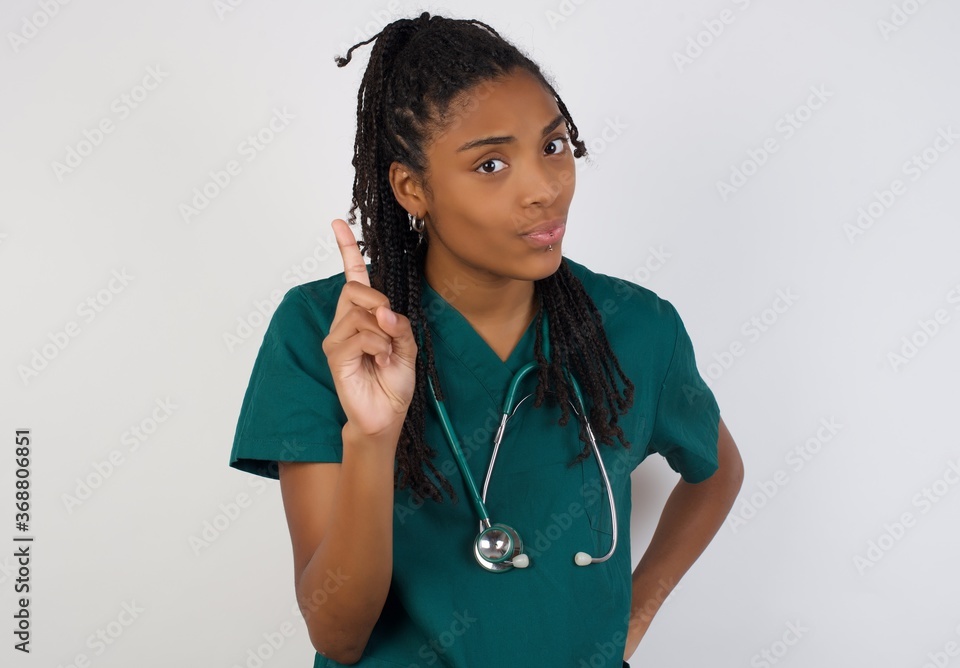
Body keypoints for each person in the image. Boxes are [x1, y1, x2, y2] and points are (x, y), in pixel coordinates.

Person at [229, 11, 743, 667]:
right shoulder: (326, 333)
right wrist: (373, 438)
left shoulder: (636, 326)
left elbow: (718, 472)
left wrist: (633, 617)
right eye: (491, 163)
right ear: (412, 188)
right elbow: (338, 635)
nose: (544, 190)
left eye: (553, 146)